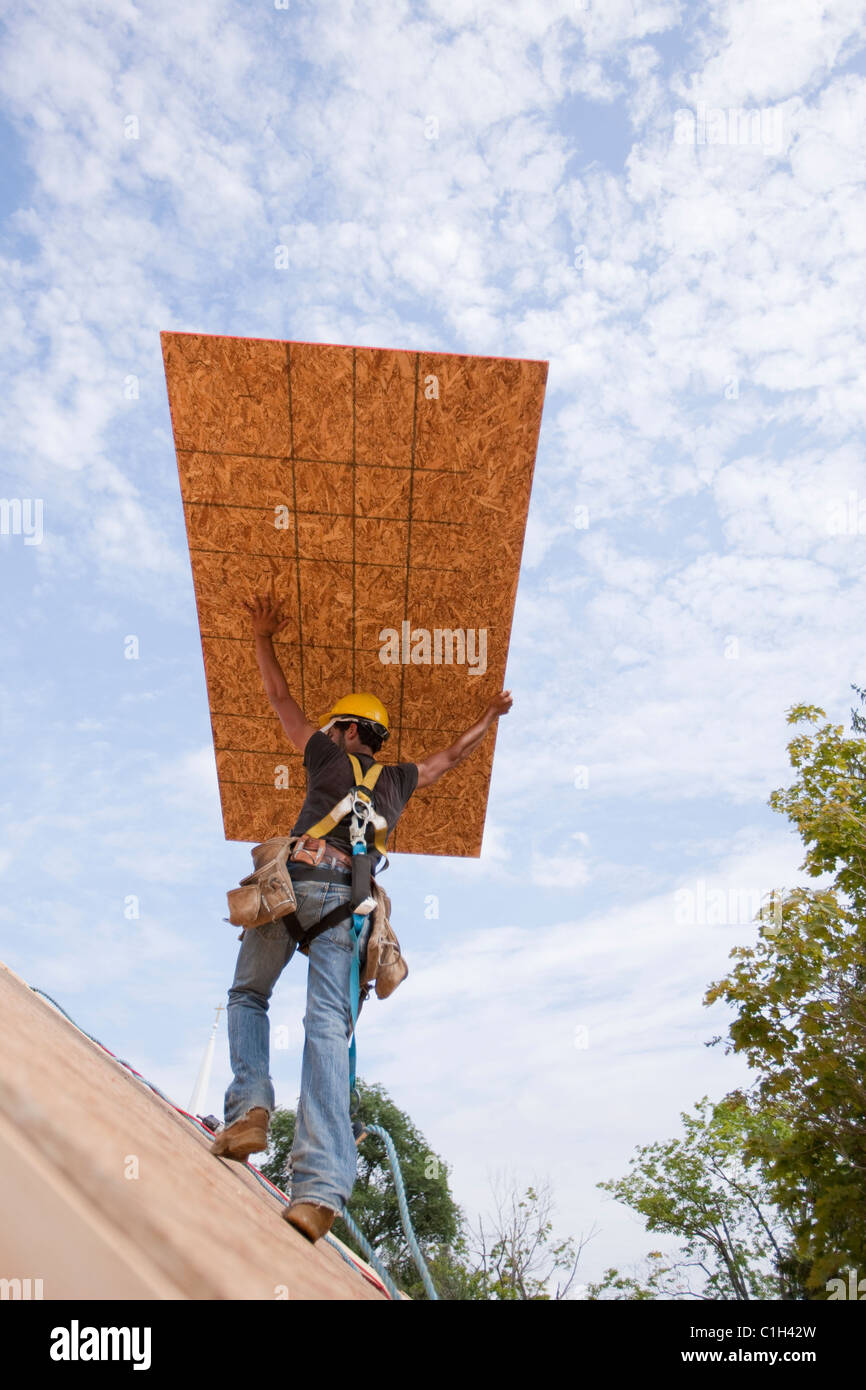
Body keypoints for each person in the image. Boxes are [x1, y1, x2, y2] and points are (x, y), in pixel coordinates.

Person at [211, 594, 512, 1242]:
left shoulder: (325, 755)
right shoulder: (399, 782)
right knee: (326, 1027)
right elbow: (451, 758)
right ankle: (318, 1188)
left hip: (294, 887)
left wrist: (263, 637)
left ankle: (248, 1110)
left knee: (247, 993)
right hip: (350, 908)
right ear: (377, 741)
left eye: (335, 726)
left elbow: (280, 701)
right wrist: (490, 715)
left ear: (346, 730)